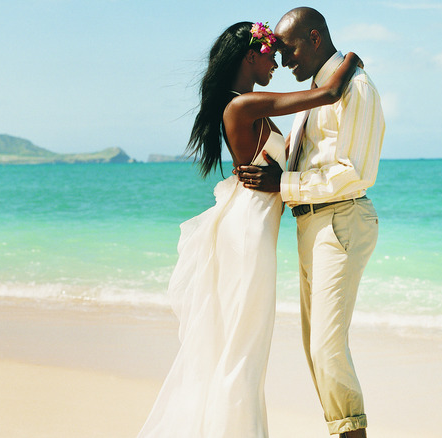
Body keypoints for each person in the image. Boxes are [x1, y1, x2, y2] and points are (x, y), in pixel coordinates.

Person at [137, 21, 360, 438]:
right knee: (243, 349)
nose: (276, 63)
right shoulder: (244, 106)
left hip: (252, 230)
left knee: (246, 348)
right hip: (246, 234)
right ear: (249, 56)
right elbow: (329, 93)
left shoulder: (247, 103)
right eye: (269, 55)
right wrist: (351, 60)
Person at [237, 8, 385, 438]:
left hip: (340, 220)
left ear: (315, 37)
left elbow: (356, 172)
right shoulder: (319, 91)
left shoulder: (354, 87)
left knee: (326, 346)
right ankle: (342, 431)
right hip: (312, 224)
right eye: (277, 53)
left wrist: (283, 183)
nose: (284, 62)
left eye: (290, 49)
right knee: (314, 348)